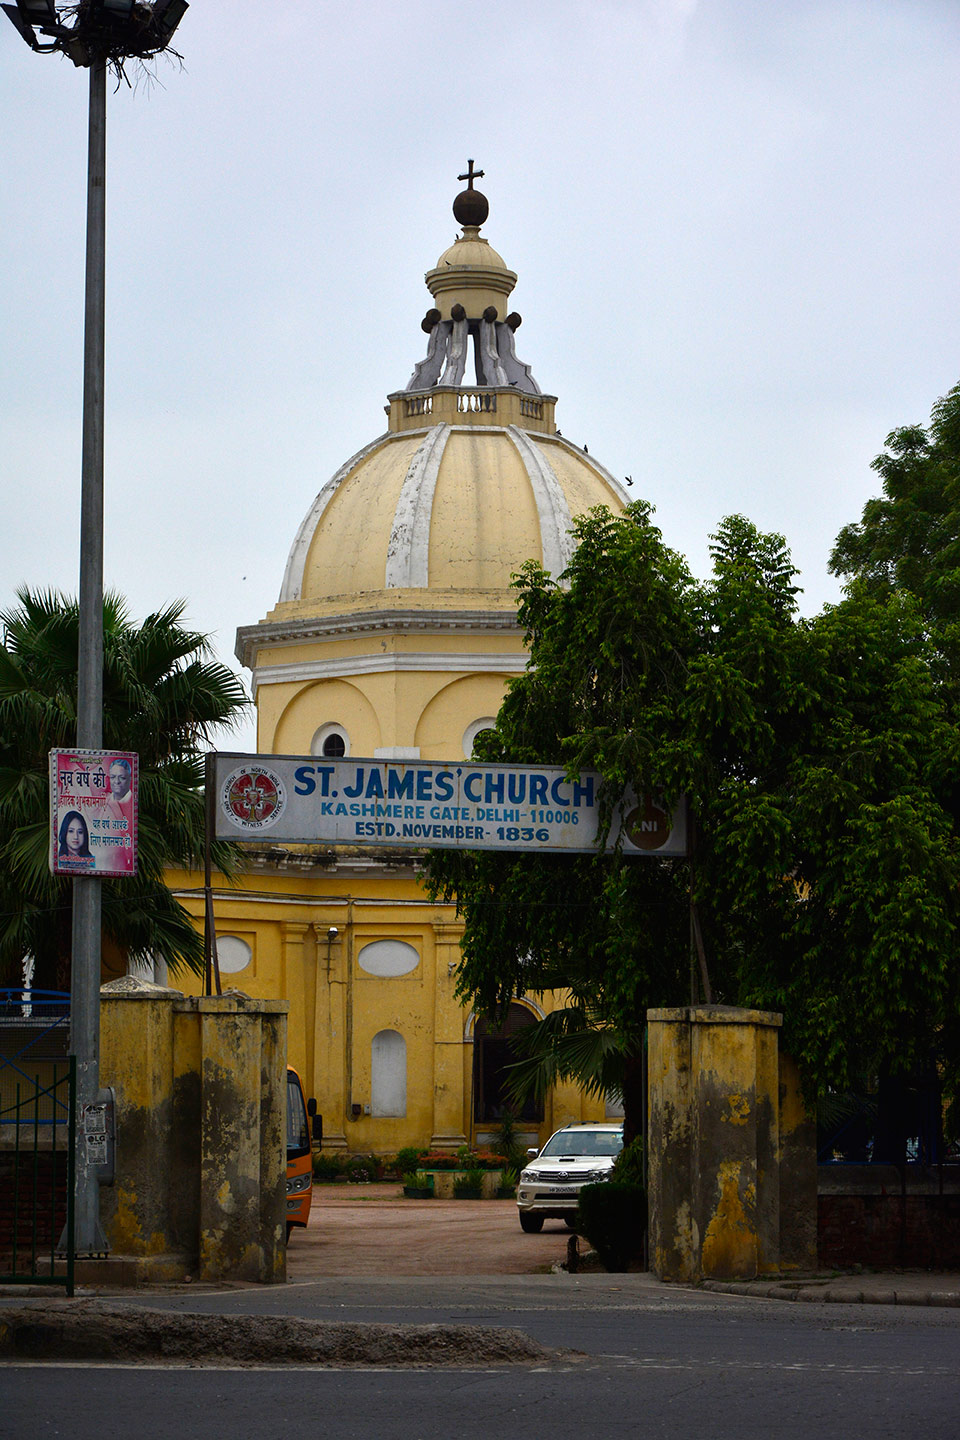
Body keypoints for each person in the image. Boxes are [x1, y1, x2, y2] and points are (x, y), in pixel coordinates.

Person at [103, 758, 133, 826]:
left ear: (130, 779)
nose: (117, 781)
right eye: (113, 777)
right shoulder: (106, 800)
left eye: (122, 777)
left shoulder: (132, 801)